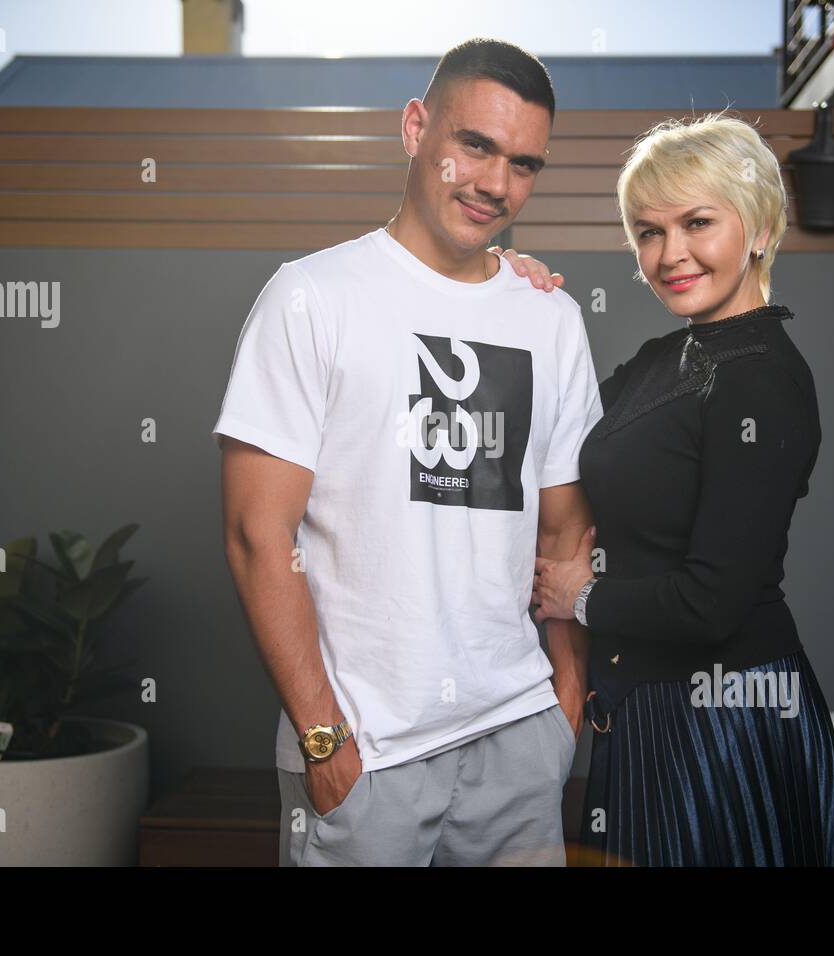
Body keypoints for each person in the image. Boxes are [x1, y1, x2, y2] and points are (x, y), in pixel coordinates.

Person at [213, 38, 602, 866]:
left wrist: (565, 707)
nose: (497, 184)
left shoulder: (551, 319)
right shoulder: (311, 299)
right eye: (476, 146)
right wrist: (326, 745)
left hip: (516, 744)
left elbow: (565, 534)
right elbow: (257, 537)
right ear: (416, 128)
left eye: (524, 164)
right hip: (364, 753)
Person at [521, 111, 834, 865]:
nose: (670, 255)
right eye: (648, 232)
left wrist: (581, 595)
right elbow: (558, 432)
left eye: (698, 223)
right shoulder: (668, 355)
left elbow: (713, 601)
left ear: (759, 227)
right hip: (644, 711)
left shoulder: (764, 377)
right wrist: (516, 292)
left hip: (725, 723)